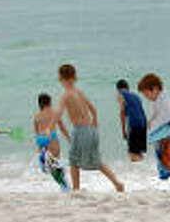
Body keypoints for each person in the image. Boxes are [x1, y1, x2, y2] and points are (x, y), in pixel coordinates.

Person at [52, 64, 124, 192]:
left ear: (60, 79)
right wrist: (94, 124)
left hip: (80, 130)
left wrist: (50, 127)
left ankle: (76, 189)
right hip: (91, 130)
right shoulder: (79, 92)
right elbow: (93, 110)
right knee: (97, 160)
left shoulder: (66, 95)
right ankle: (117, 183)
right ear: (75, 77)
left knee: (73, 161)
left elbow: (58, 113)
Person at [136, 73, 170, 192]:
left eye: (147, 94)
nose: (147, 98)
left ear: (155, 89)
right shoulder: (156, 100)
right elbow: (156, 113)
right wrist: (150, 122)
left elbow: (169, 116)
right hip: (164, 133)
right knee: (166, 162)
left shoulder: (163, 97)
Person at [32, 92, 71, 191]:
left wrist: (39, 145)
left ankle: (63, 185)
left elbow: (36, 131)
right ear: (49, 102)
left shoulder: (37, 116)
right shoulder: (54, 113)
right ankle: (65, 188)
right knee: (56, 163)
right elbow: (62, 127)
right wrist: (69, 139)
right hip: (51, 137)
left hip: (40, 138)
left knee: (49, 165)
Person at [115, 80, 147, 162]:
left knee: (132, 153)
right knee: (138, 152)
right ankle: (146, 168)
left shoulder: (120, 95)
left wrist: (123, 131)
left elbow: (122, 113)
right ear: (128, 87)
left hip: (134, 124)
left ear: (118, 89)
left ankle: (140, 169)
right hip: (143, 124)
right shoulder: (136, 96)